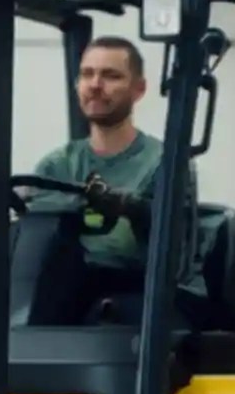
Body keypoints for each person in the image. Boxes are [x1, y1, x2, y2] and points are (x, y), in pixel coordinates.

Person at [24, 35, 165, 323]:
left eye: (111, 76)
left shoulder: (163, 164)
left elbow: (169, 246)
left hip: (130, 283)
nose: (95, 85)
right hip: (63, 281)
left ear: (139, 89)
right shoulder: (56, 166)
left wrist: (127, 206)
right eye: (87, 74)